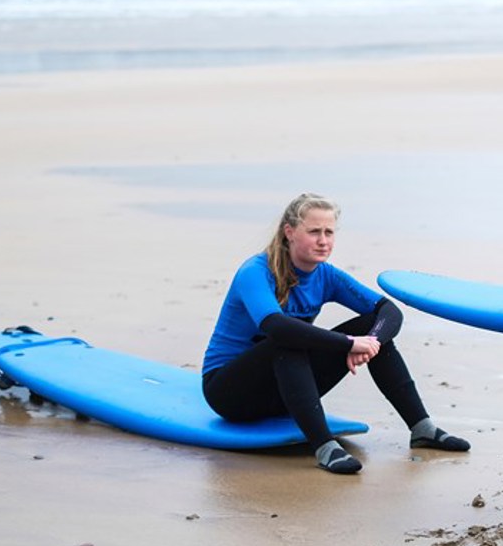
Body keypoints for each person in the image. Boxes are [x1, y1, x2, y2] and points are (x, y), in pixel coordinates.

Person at [201, 192, 470, 474]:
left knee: (371, 329)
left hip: (282, 392)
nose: (323, 240)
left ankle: (421, 427)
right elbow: (276, 327)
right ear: (289, 232)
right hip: (229, 392)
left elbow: (388, 311)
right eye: (314, 231)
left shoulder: (326, 276)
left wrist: (370, 343)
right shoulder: (256, 271)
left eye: (329, 232)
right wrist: (346, 344)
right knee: (287, 340)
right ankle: (324, 447)